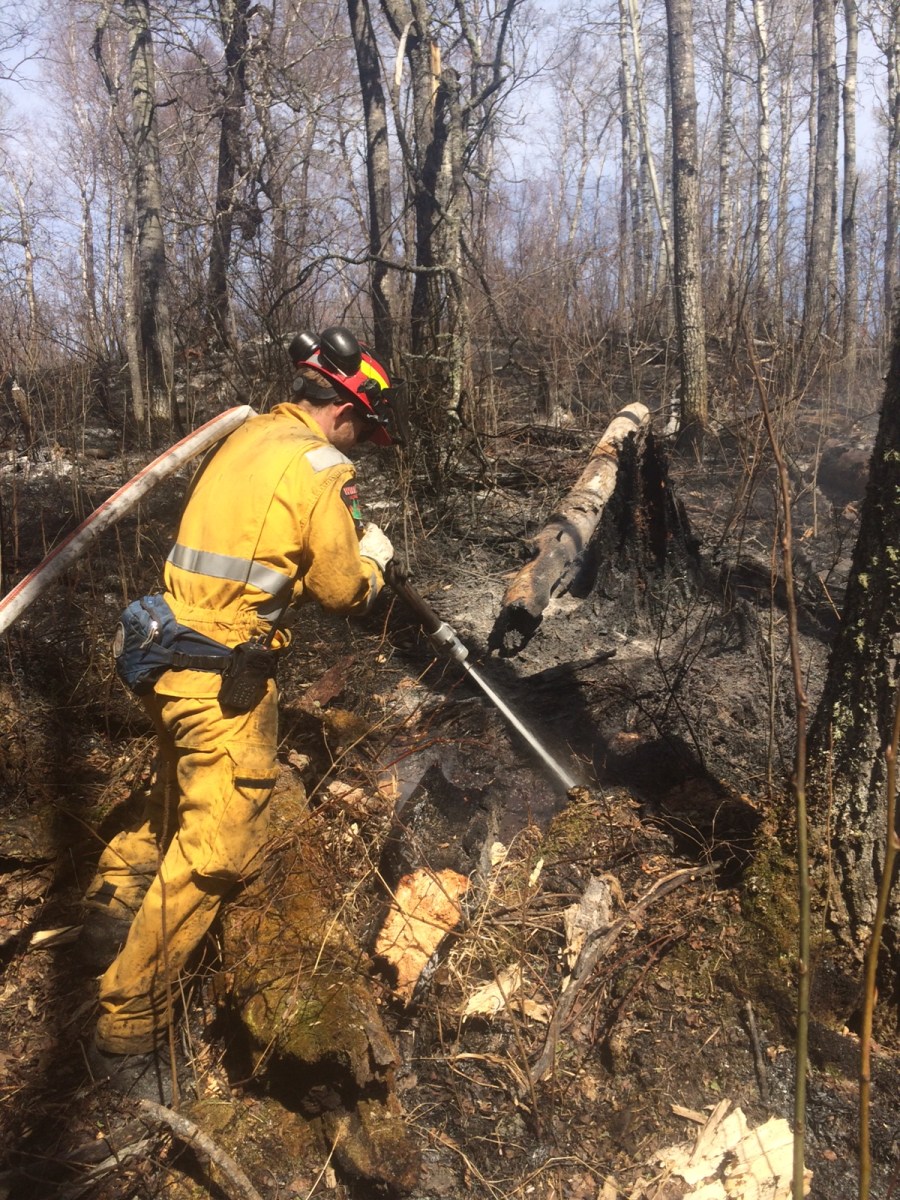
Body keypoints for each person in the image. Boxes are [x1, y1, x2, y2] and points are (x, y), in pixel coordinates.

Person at [83, 327, 397, 1091]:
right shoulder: (322, 463)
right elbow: (339, 591)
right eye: (365, 426)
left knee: (175, 787)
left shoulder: (249, 434)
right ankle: (128, 1025)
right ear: (346, 411)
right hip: (221, 671)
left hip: (163, 649)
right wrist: (376, 561)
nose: (362, 440)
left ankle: (111, 903)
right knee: (219, 843)